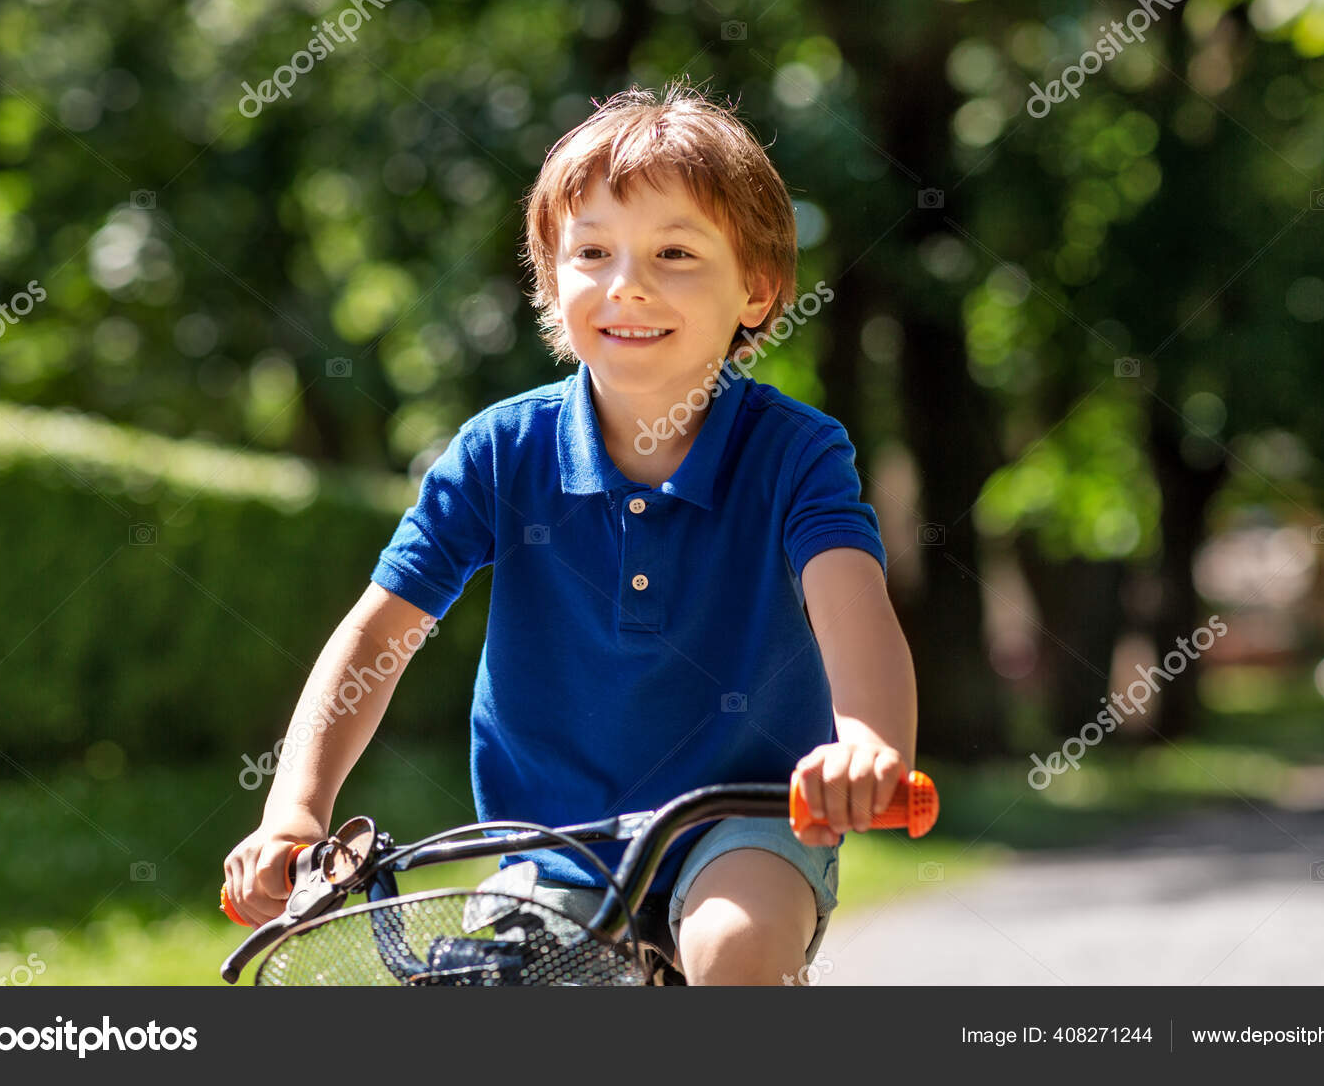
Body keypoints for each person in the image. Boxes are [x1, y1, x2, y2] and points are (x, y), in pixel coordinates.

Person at [223, 81, 918, 985]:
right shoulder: (499, 452)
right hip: (551, 842)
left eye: (674, 252)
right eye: (592, 250)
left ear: (756, 288)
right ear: (552, 278)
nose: (626, 282)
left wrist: (870, 745)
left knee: (734, 946)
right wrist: (294, 811)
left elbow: (851, 604)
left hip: (747, 818)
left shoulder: (795, 452)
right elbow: (380, 633)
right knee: (510, 982)